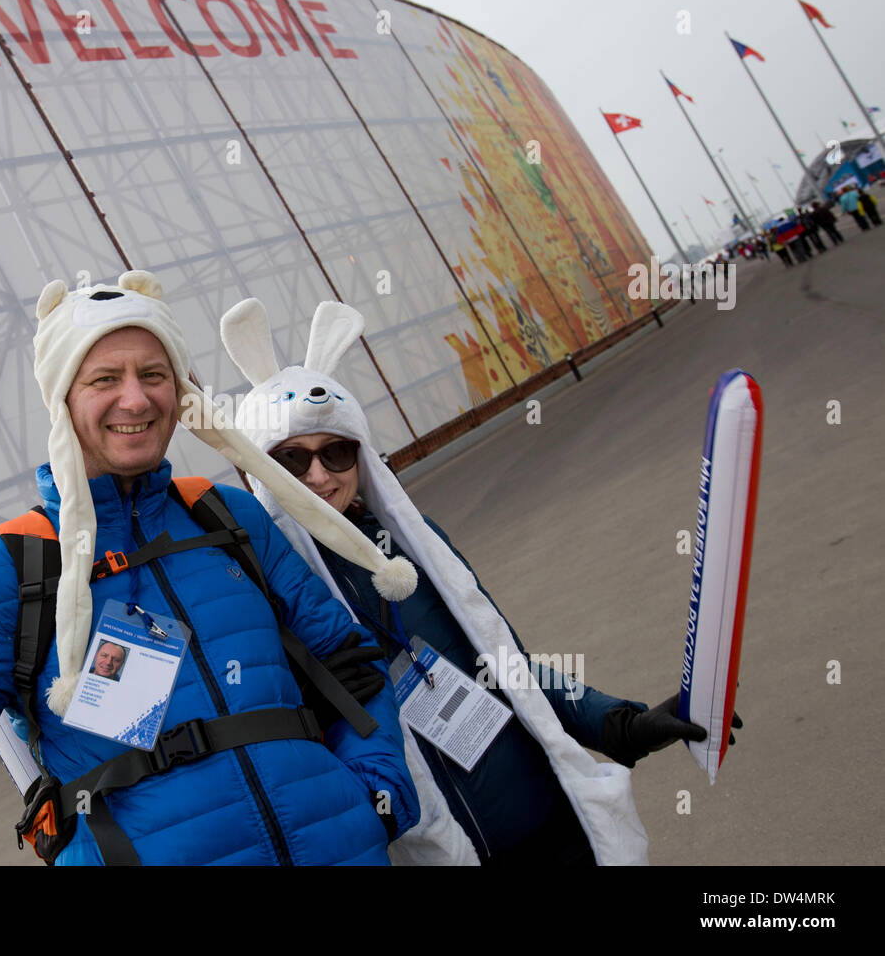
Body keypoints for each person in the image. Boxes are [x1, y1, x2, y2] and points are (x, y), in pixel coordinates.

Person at [0, 270, 421, 866]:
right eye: (105, 378)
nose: (136, 398)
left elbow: (348, 661)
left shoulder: (225, 515)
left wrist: (374, 797)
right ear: (63, 400)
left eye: (153, 374)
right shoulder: (5, 571)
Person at [221, 298, 742, 866]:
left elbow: (504, 662)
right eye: (292, 459)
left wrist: (620, 723)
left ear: (362, 456)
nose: (319, 476)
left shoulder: (417, 545)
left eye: (336, 451)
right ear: (264, 473)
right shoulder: (260, 594)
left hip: (557, 828)